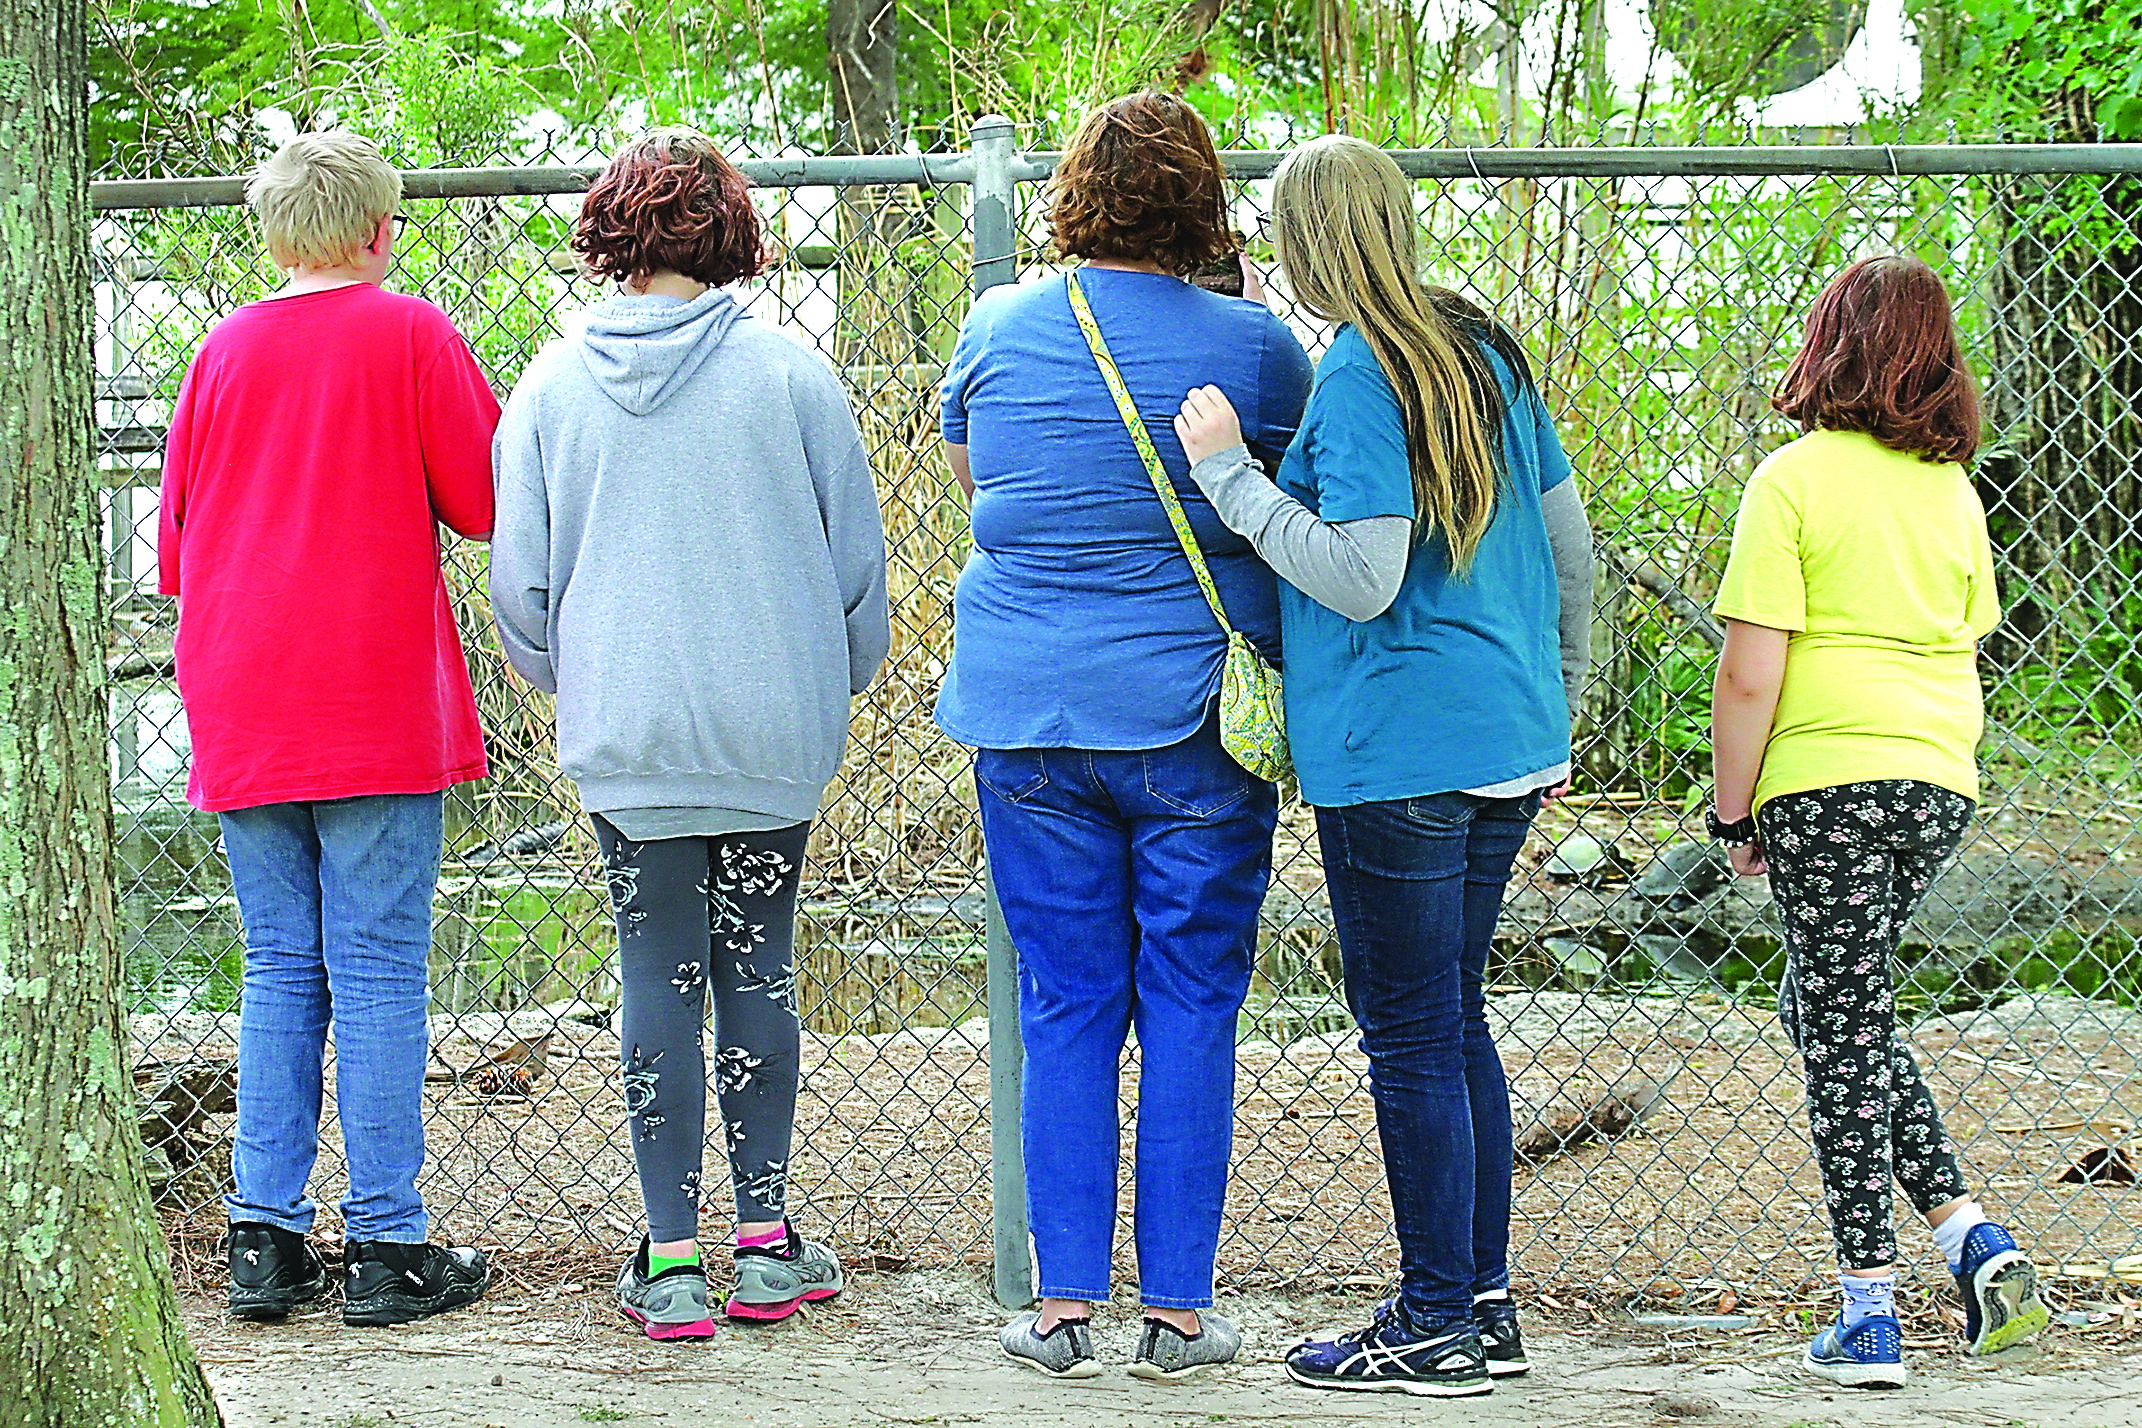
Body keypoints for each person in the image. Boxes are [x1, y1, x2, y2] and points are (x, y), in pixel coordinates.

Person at [1174, 135, 1593, 1397]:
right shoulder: (1483, 350)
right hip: (1506, 740)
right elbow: (1572, 554)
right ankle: (1481, 1305)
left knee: (1410, 1037)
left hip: (1397, 755)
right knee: (1452, 1020)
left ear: (1309, 241)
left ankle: (1431, 1322)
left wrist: (1230, 479)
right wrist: (1558, 708)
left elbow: (1364, 576)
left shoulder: (1361, 370)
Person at [936, 91, 1313, 1381]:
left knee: (1066, 999)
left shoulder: (997, 326)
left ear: (1071, 198)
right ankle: (1180, 1316)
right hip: (1192, 718)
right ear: (1203, 204)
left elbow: (981, 484)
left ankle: (1059, 1311)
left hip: (1027, 713)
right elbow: (1285, 503)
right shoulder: (1257, 347)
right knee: (1195, 999)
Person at [490, 128, 890, 1340]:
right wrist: (824, 685)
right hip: (770, 734)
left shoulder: (549, 389)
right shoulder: (795, 380)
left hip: (630, 739)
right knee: (759, 966)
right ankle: (765, 1245)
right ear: (733, 234)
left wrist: (578, 682)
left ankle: (670, 1263)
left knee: (654, 975)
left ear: (610, 234)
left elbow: (521, 593)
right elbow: (858, 576)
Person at [158, 131, 498, 1326]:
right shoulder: (412, 335)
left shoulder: (219, 351)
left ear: (273, 237)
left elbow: (178, 544)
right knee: (379, 963)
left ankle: (263, 1237)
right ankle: (388, 1246)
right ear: (377, 229)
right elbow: (483, 500)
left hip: (242, 689)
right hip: (372, 690)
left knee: (278, 962)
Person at [1707, 255, 2048, 1388]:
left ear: (1829, 346)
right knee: (1827, 1006)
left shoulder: (1794, 479)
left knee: (1843, 1029)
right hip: (1935, 780)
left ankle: (1867, 1313)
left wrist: (1733, 811)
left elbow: (1750, 674)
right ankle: (1970, 1237)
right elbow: (1965, 641)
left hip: (1830, 782)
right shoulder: (1954, 493)